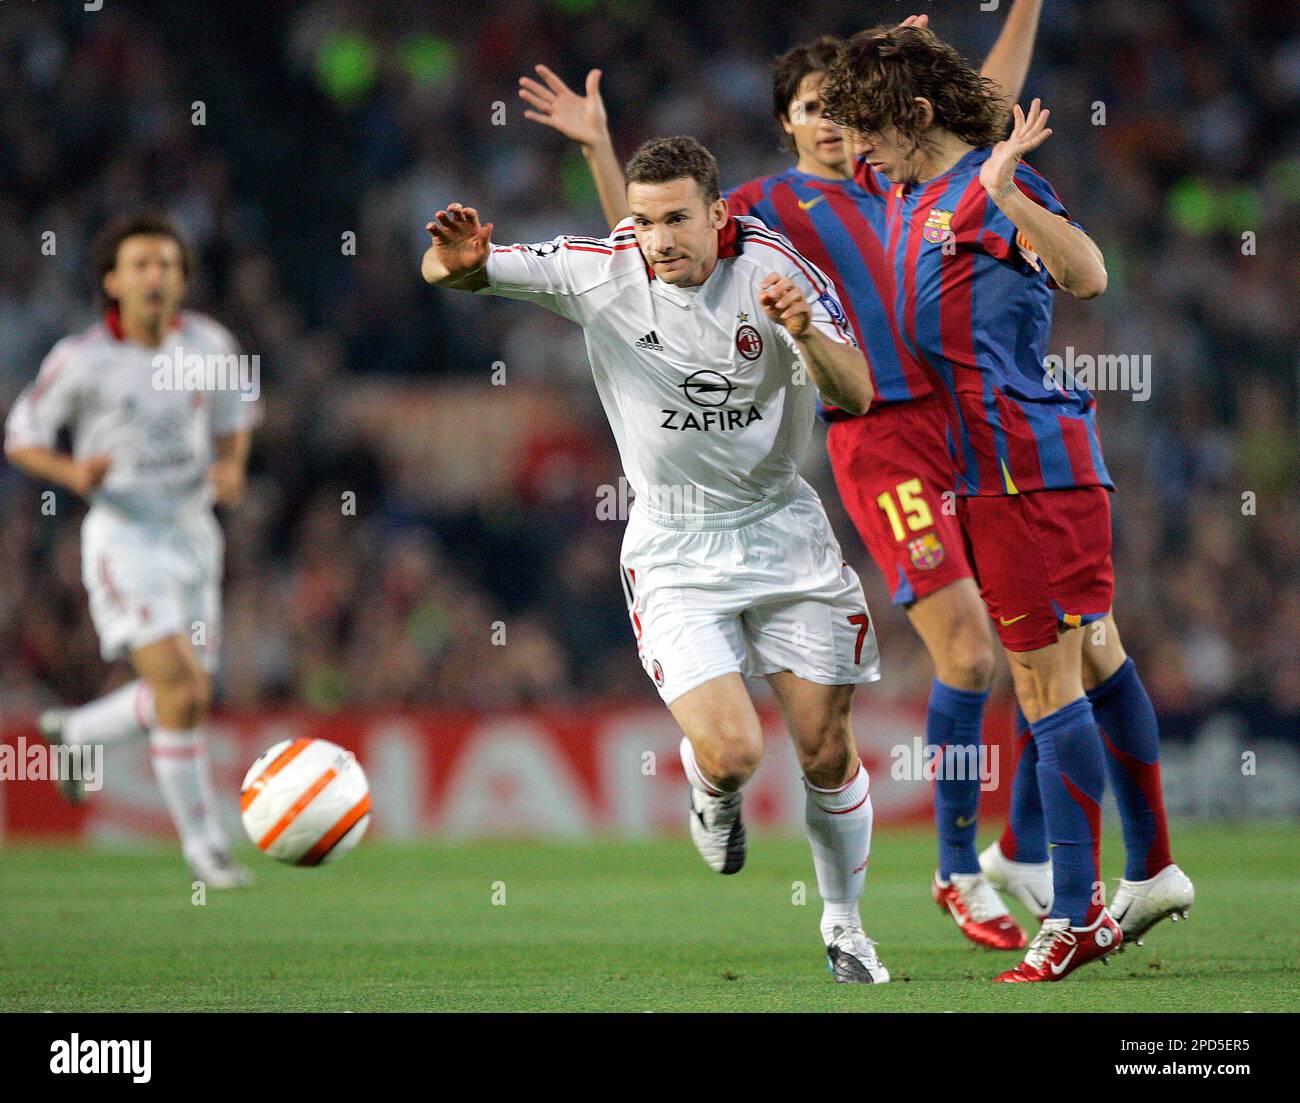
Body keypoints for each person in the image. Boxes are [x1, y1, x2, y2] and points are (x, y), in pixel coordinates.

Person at [515, 3, 1051, 951]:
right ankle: (958, 867)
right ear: (788, 123)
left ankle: (1026, 851)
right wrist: (603, 149)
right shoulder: (768, 205)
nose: (836, 120)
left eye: (849, 104)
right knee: (968, 657)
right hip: (875, 433)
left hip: (968, 418)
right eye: (814, 105)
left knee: (1050, 645)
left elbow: (986, 104)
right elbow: (649, 251)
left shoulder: (905, 181)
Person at [422, 136, 894, 982]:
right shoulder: (600, 270)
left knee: (826, 750)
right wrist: (453, 261)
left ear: (719, 213)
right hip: (676, 548)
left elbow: (855, 392)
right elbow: (459, 271)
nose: (661, 237)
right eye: (644, 220)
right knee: (736, 752)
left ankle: (845, 926)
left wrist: (801, 334)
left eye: (678, 217)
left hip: (783, 528)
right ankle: (711, 791)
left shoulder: (776, 273)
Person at [820, 24, 1193, 981]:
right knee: (1095, 652)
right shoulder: (909, 192)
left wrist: (1008, 193)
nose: (856, 149)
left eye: (869, 127)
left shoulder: (984, 187)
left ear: (915, 120)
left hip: (1025, 469)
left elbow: (1089, 274)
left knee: (1042, 688)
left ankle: (1071, 912)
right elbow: (939, 100)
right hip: (1003, 472)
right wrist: (885, 47)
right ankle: (1147, 873)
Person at [5, 213, 258, 888]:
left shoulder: (212, 344)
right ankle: (206, 850)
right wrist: (71, 474)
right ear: (112, 280)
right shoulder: (80, 357)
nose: (156, 275)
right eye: (142, 263)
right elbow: (21, 433)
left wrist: (231, 468)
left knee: (191, 695)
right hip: (124, 538)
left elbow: (237, 418)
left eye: (168, 264)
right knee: (179, 687)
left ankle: (82, 731)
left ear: (182, 278)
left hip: (194, 536)